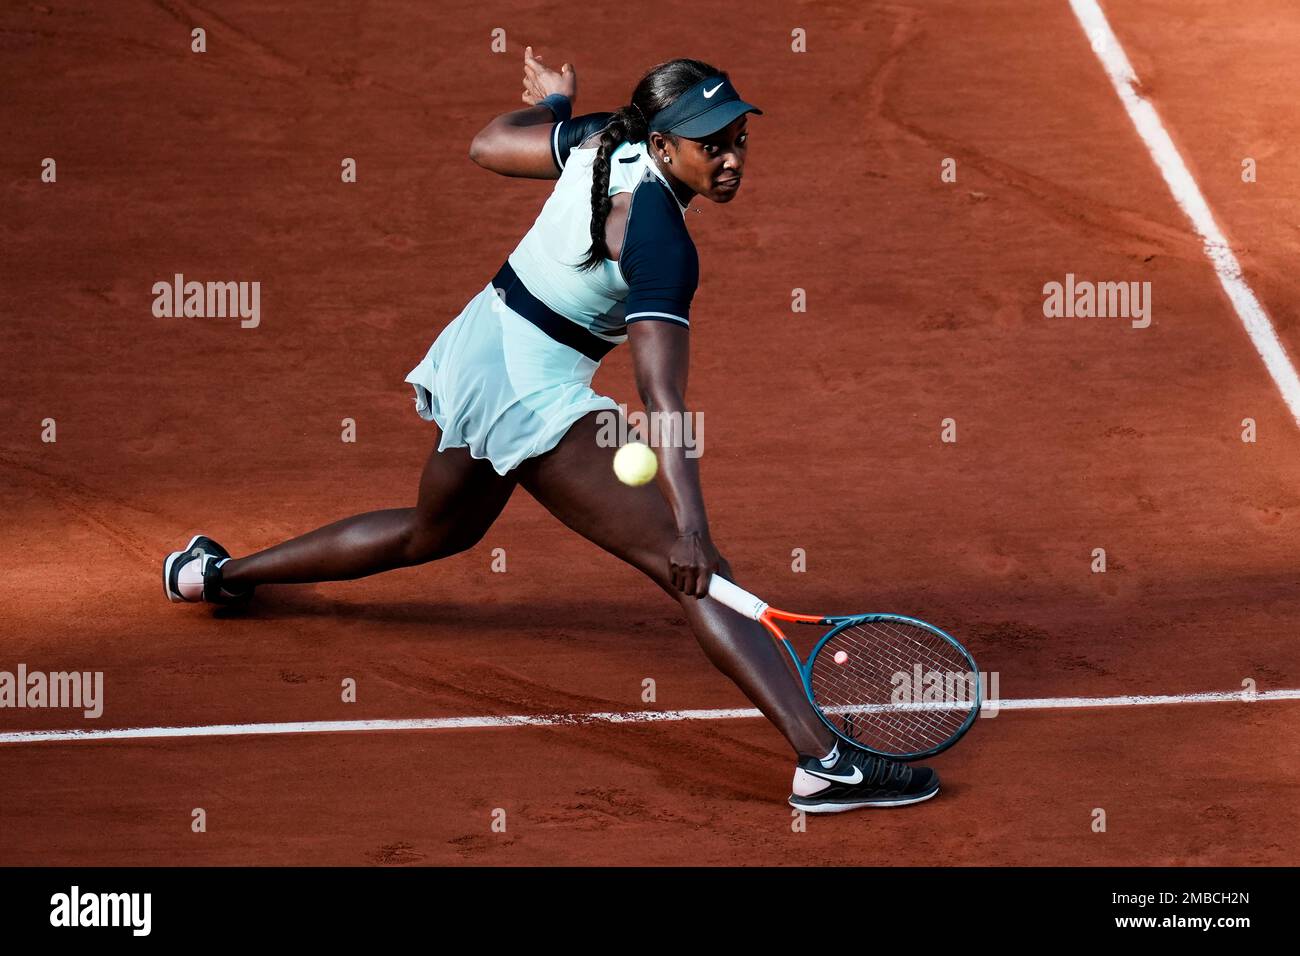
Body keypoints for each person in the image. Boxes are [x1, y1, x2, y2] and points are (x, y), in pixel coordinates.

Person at [162, 49, 939, 813]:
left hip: (481, 348)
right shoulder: (662, 238)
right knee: (689, 565)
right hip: (532, 393)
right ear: (666, 146)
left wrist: (557, 110)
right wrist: (694, 529)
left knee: (433, 533)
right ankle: (826, 762)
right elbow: (662, 396)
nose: (732, 159)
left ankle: (214, 576)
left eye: (738, 138)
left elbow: (489, 145)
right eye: (713, 144)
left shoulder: (609, 136)